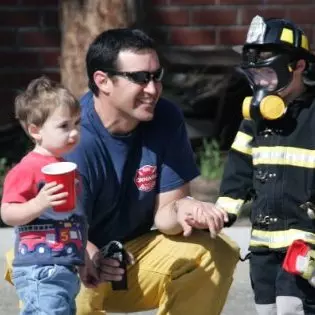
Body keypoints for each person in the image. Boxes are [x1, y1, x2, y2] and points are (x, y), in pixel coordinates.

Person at [5, 29, 240, 315]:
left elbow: (166, 217)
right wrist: (90, 253)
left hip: (127, 258)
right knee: (71, 272)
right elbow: (55, 225)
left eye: (156, 76)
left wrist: (184, 209)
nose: (152, 89)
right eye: (140, 78)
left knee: (216, 253)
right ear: (102, 81)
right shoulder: (71, 138)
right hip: (63, 254)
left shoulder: (166, 118)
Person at [216, 15, 315, 315]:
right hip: (262, 244)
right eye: (256, 76)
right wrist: (223, 212)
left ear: (297, 66)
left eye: (268, 75)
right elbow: (238, 169)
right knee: (267, 309)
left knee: (292, 307)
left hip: (304, 240)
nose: (262, 84)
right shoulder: (255, 120)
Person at [1, 76, 87, 314]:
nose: (74, 133)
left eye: (77, 123)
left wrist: (84, 259)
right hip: (39, 268)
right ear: (35, 130)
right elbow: (8, 213)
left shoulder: (67, 167)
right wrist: (39, 203)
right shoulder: (26, 169)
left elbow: (73, 220)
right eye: (64, 126)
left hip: (64, 265)